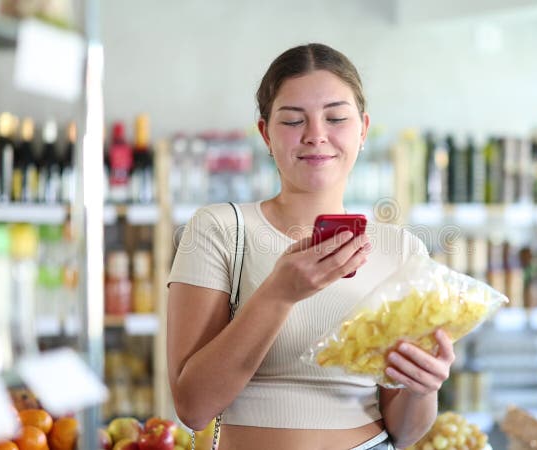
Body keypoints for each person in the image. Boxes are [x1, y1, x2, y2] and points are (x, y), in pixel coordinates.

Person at [167, 43, 455, 450]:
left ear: (363, 129)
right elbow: (193, 406)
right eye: (292, 121)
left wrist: (424, 386)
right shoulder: (218, 229)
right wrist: (278, 294)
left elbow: (405, 432)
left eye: (336, 117)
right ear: (265, 133)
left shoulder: (402, 252)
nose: (316, 135)